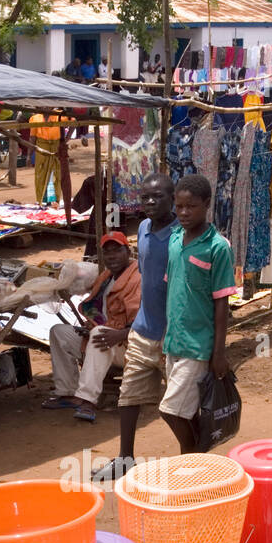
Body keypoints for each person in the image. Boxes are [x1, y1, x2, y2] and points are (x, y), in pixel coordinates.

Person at [91, 174, 178, 481]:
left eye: (158, 197)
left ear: (173, 200)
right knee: (128, 396)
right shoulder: (141, 229)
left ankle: (193, 462)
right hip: (143, 328)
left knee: (180, 404)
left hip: (174, 333)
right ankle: (125, 458)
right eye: (145, 198)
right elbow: (147, 276)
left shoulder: (182, 235)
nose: (151, 203)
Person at [160, 173, 235, 453]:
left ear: (206, 204)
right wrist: (165, 336)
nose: (183, 212)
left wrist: (219, 353)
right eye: (178, 206)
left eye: (190, 207)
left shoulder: (217, 247)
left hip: (198, 345)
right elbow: (174, 290)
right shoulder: (176, 239)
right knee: (187, 412)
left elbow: (221, 304)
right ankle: (192, 463)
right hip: (174, 342)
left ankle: (197, 455)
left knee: (171, 411)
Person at [43, 231, 142, 423]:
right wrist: (93, 325)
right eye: (107, 252)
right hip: (106, 339)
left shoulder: (138, 278)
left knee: (99, 333)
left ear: (128, 251)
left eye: (117, 250)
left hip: (130, 345)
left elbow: (144, 324)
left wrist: (119, 333)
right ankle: (67, 393)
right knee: (59, 332)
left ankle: (88, 400)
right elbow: (100, 312)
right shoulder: (107, 276)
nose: (112, 256)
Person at [30, 112, 63, 204]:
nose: (45, 107)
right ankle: (42, 199)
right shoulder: (35, 118)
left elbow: (73, 122)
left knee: (55, 174)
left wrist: (66, 139)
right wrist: (29, 155)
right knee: (41, 175)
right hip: (41, 150)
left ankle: (53, 200)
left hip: (56, 149)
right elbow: (32, 137)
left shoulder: (59, 116)